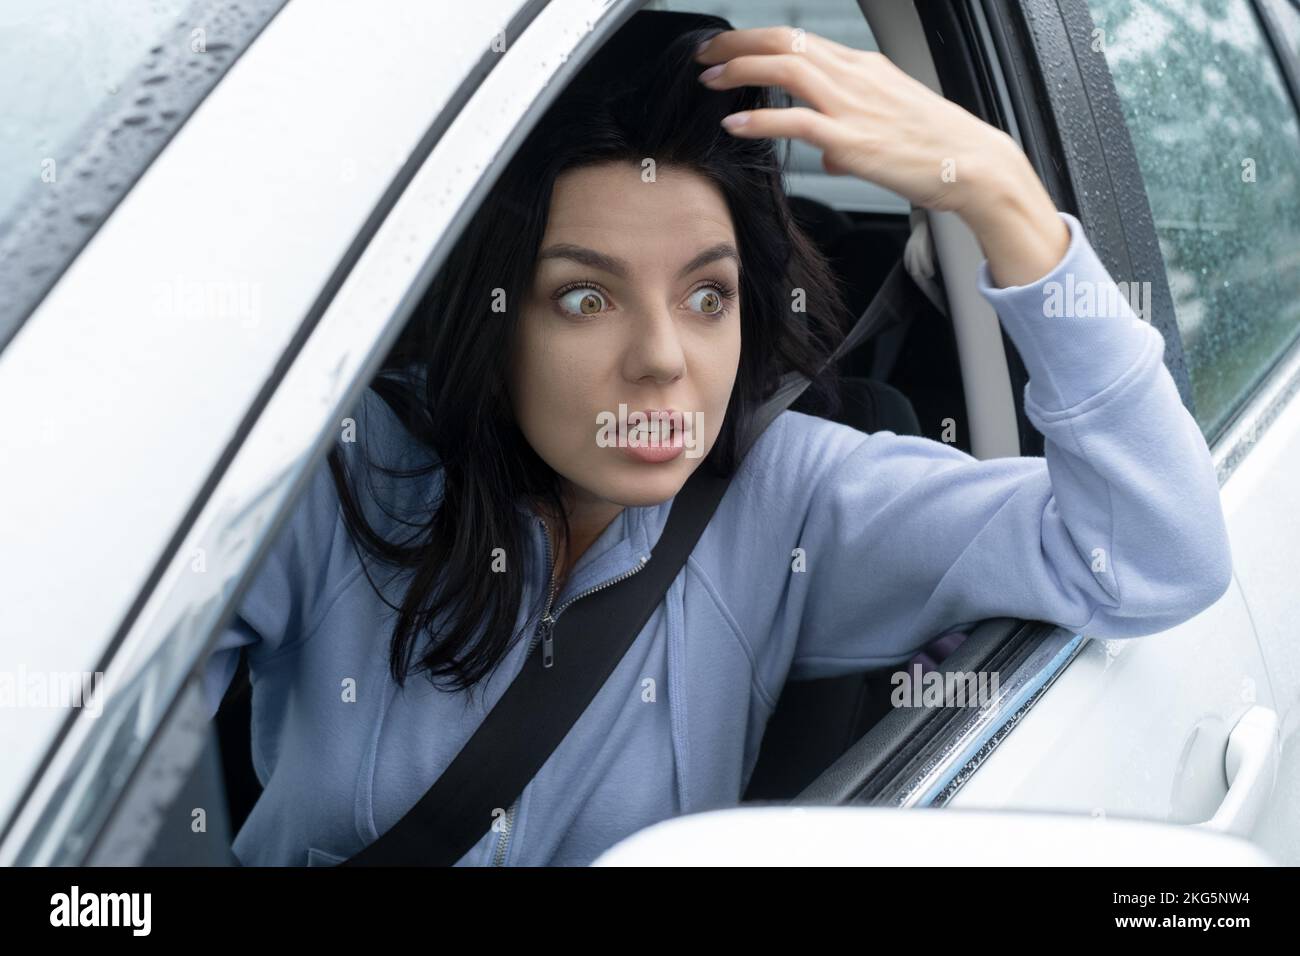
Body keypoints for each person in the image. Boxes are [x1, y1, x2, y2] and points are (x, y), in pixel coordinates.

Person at [202, 12, 1232, 866]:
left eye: (707, 297)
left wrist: (1002, 192)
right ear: (492, 316)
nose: (662, 360)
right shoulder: (343, 471)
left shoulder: (794, 503)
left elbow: (1154, 554)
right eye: (585, 297)